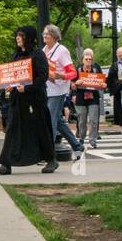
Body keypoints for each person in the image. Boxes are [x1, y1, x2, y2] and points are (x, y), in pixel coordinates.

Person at [0, 26, 57, 174]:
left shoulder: (38, 55)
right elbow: (12, 77)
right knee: (11, 130)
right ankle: (6, 164)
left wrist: (27, 88)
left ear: (27, 37)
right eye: (17, 35)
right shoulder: (16, 55)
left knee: (40, 129)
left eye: (20, 35)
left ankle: (51, 159)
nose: (17, 38)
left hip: (35, 101)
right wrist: (8, 86)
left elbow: (43, 76)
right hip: (17, 100)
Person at [41, 25, 83, 160]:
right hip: (47, 89)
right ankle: (77, 146)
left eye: (46, 34)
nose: (44, 36)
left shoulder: (62, 51)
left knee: (50, 120)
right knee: (58, 121)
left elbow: (73, 73)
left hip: (58, 90)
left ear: (54, 36)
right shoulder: (44, 50)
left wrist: (61, 76)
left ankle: (49, 155)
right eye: (44, 34)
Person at [71, 48, 102, 149]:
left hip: (93, 97)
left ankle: (92, 139)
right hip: (81, 98)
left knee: (93, 120)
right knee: (82, 120)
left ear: (92, 60)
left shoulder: (96, 69)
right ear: (83, 60)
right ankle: (82, 138)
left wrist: (103, 84)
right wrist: (76, 83)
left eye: (90, 59)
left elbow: (101, 83)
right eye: (86, 59)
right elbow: (72, 85)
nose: (88, 61)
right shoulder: (78, 69)